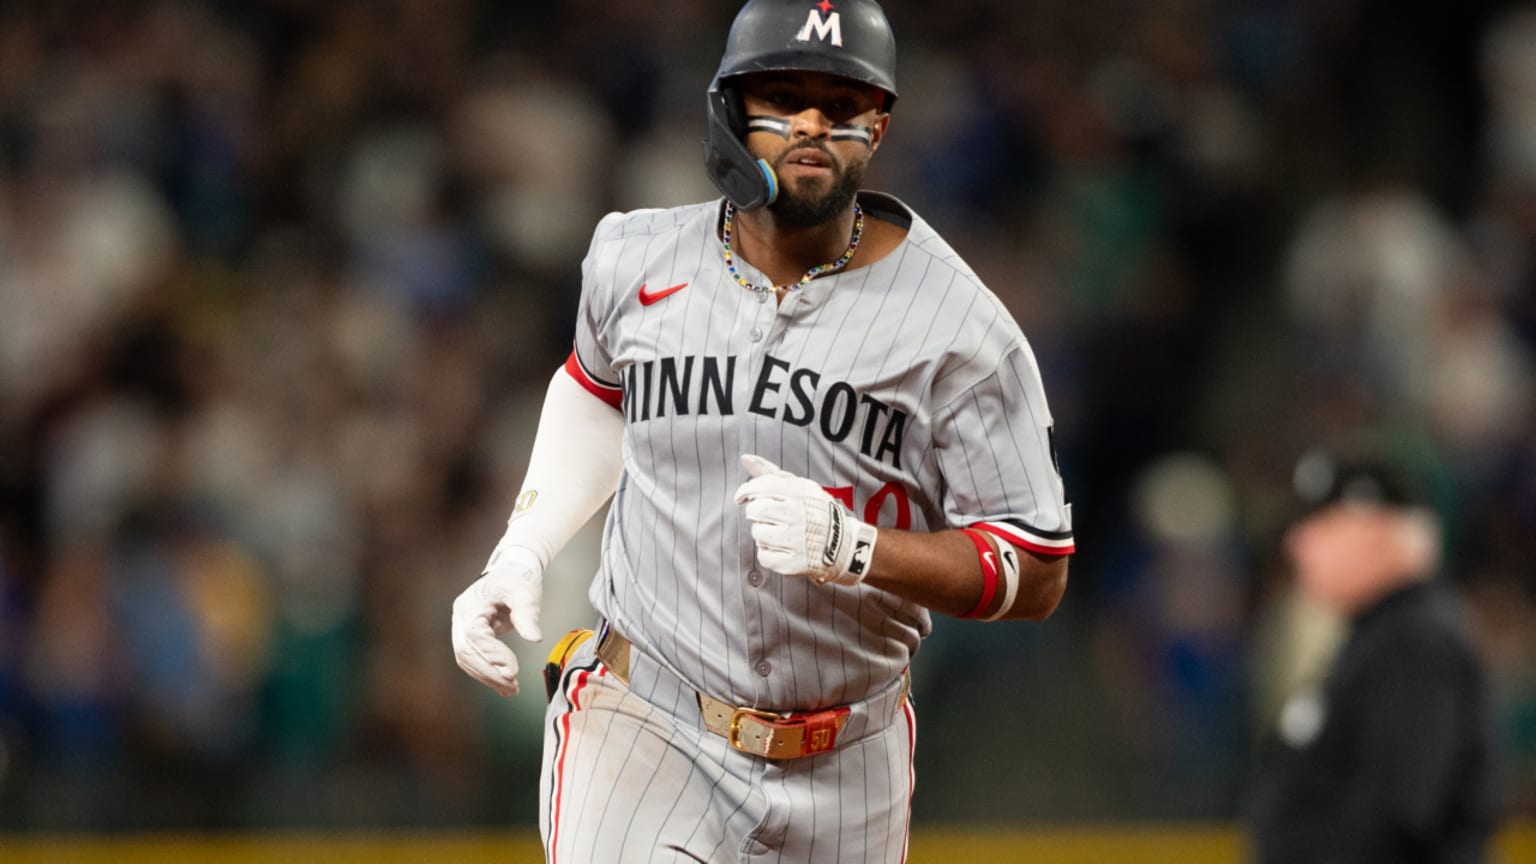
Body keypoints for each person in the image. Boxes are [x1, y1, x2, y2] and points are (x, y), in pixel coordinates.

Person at [450, 1, 1074, 860]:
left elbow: (1033, 565)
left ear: (880, 126)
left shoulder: (961, 328)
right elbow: (597, 396)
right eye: (785, 96)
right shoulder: (633, 258)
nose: (813, 124)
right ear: (731, 110)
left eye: (844, 104)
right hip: (647, 718)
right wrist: (522, 548)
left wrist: (860, 549)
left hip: (848, 754)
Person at [1247, 448, 1503, 863]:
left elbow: (1398, 815)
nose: (1297, 543)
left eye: (1321, 525)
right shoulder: (1381, 637)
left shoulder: (1414, 643)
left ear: (1378, 534)